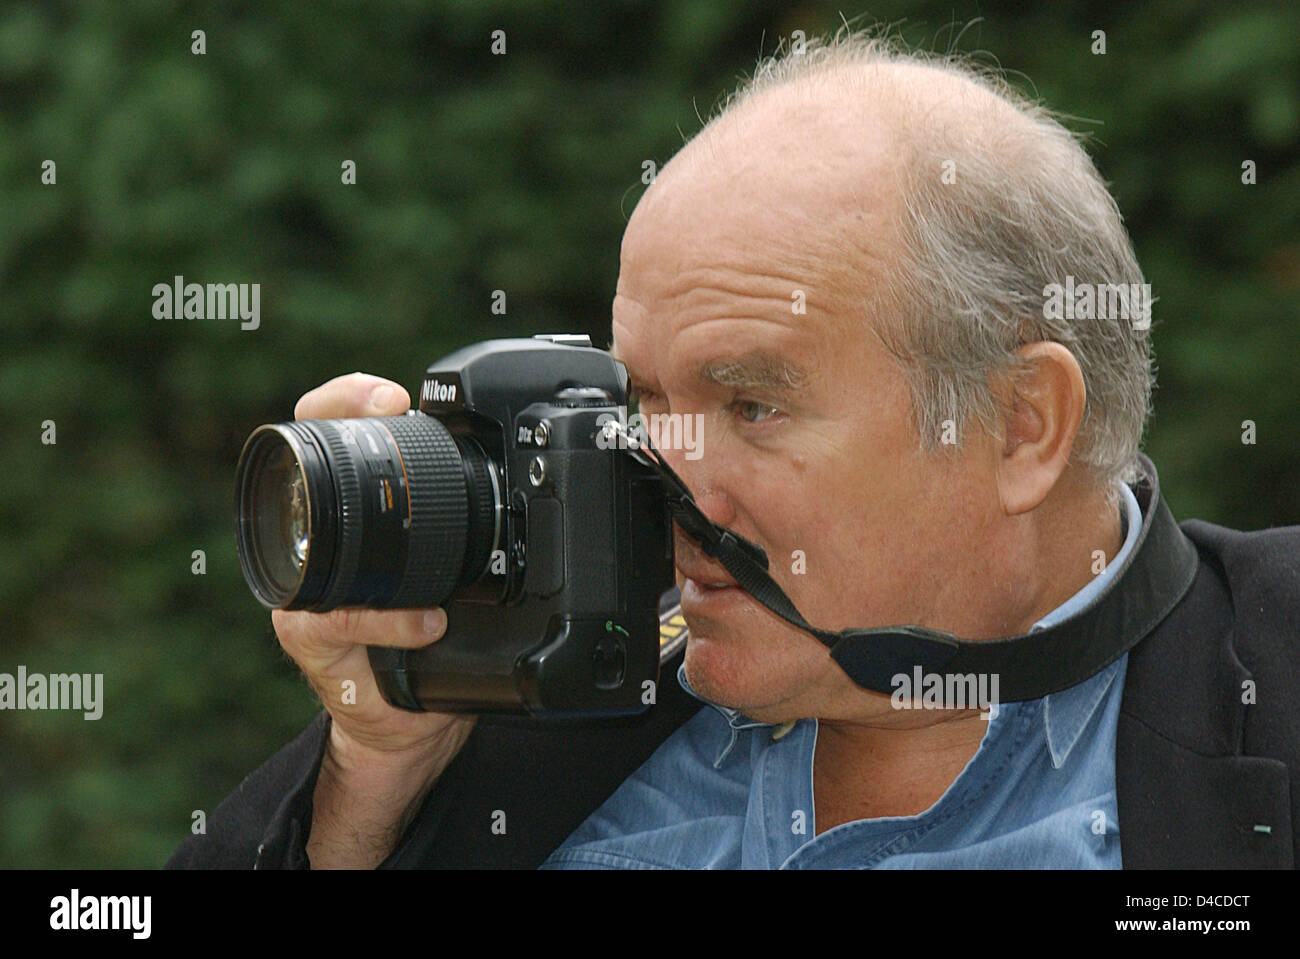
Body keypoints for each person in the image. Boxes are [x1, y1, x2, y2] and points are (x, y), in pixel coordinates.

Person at [169, 31, 1300, 870]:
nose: (662, 475)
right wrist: (372, 779)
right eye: (641, 402)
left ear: (1021, 426)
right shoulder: (544, 712)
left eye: (751, 405)